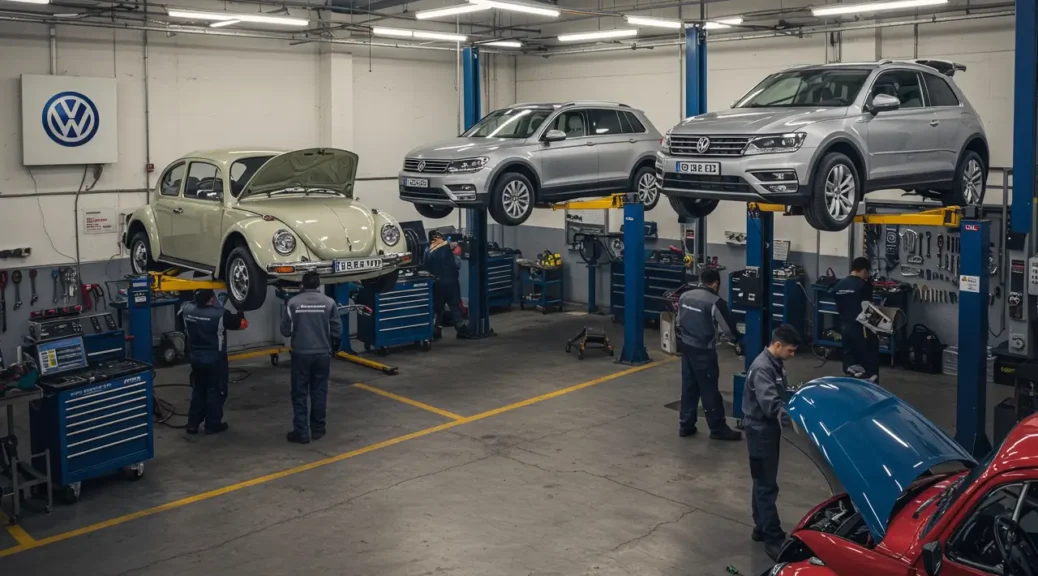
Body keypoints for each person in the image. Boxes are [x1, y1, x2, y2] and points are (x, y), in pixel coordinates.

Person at [741, 324, 800, 560]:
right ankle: (773, 539)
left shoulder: (775, 363)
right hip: (760, 432)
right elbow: (771, 405)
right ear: (777, 345)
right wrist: (797, 422)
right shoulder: (762, 368)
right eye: (791, 350)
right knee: (766, 485)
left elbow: (781, 392)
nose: (792, 355)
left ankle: (760, 527)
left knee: (761, 481)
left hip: (766, 430)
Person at [675, 268, 742, 441]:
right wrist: (739, 341)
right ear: (715, 284)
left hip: (686, 347)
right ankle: (718, 429)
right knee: (709, 390)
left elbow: (678, 321)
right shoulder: (715, 302)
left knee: (689, 387)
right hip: (704, 351)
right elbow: (729, 330)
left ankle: (686, 425)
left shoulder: (685, 296)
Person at [280, 271, 341, 444]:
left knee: (299, 393)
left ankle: (301, 432)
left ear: (302, 285)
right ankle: (318, 429)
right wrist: (334, 345)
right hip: (323, 354)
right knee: (319, 391)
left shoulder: (293, 303)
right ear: (319, 284)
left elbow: (285, 330)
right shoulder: (329, 303)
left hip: (300, 354)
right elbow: (336, 328)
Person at [181, 289, 248, 435]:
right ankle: (212, 424)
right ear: (211, 300)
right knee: (216, 391)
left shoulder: (187, 310)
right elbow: (242, 324)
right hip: (215, 360)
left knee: (198, 390)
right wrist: (240, 309)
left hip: (196, 358)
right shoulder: (221, 315)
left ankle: (192, 424)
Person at [830, 257, 879, 381]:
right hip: (863, 332)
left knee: (850, 366)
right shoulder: (864, 286)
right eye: (866, 273)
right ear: (864, 271)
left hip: (845, 330)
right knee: (868, 369)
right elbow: (868, 311)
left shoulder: (837, 286)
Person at [424, 230, 469, 338]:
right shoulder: (449, 248)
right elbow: (457, 264)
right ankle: (461, 330)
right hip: (451, 282)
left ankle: (436, 330)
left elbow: (426, 268)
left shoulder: (427, 250)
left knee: (437, 308)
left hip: (437, 283)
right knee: (454, 306)